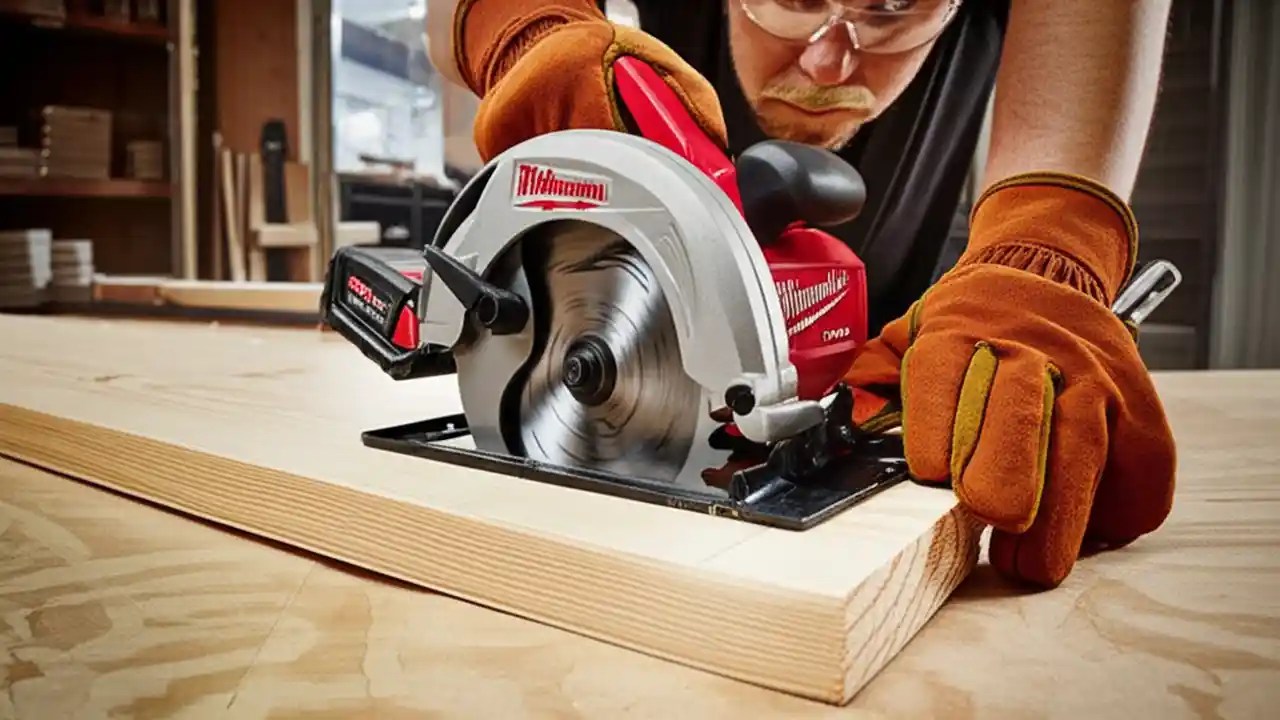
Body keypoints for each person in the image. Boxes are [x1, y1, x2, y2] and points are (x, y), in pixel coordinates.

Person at [425, 0, 1178, 590]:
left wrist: (1045, 248)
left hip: (892, 337)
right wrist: (525, 26)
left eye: (889, 5)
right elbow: (447, 19)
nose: (827, 60)